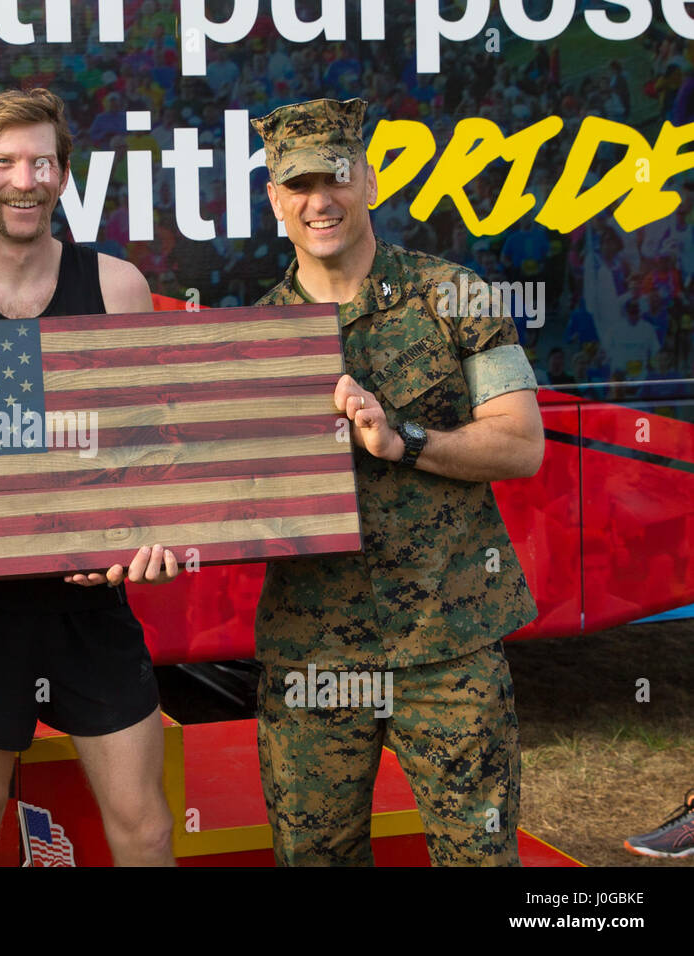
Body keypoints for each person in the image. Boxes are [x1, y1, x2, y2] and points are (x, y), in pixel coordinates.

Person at [0, 88, 180, 867]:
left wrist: (143, 534)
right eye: (5, 162)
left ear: (62, 176)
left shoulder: (117, 286)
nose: (26, 178)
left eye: (42, 161)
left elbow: (147, 449)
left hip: (88, 603)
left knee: (144, 825)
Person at [251, 97, 544, 866]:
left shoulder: (456, 296)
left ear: (370, 181)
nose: (321, 200)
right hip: (313, 656)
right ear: (276, 199)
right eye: (299, 183)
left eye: (337, 177)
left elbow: (521, 446)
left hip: (450, 644)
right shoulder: (251, 342)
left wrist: (403, 440)